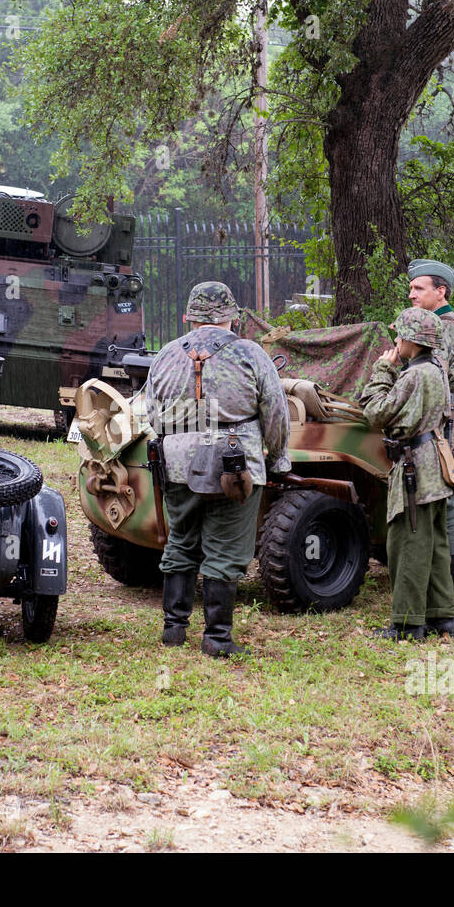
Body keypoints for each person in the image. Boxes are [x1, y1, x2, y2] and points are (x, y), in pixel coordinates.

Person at [145, 281, 290, 658]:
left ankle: (173, 630)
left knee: (181, 541)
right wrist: (278, 459)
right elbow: (275, 411)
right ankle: (217, 638)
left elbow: (152, 414)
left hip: (176, 464)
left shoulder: (164, 355)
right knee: (225, 549)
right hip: (234, 466)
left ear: (187, 317)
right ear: (233, 318)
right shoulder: (250, 353)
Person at [358, 307, 454, 640]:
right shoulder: (437, 367)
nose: (396, 341)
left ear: (412, 341)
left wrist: (383, 370)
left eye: (400, 335)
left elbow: (375, 411)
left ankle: (407, 624)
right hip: (435, 464)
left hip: (416, 467)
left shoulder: (414, 375)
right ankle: (442, 617)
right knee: (434, 544)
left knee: (408, 544)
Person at [407, 258, 454, 605]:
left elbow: (435, 377)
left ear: (441, 291)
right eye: (411, 288)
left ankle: (450, 584)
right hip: (448, 416)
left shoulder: (444, 328)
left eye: (419, 288)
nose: (412, 295)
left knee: (445, 501)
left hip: (445, 419)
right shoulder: (449, 324)